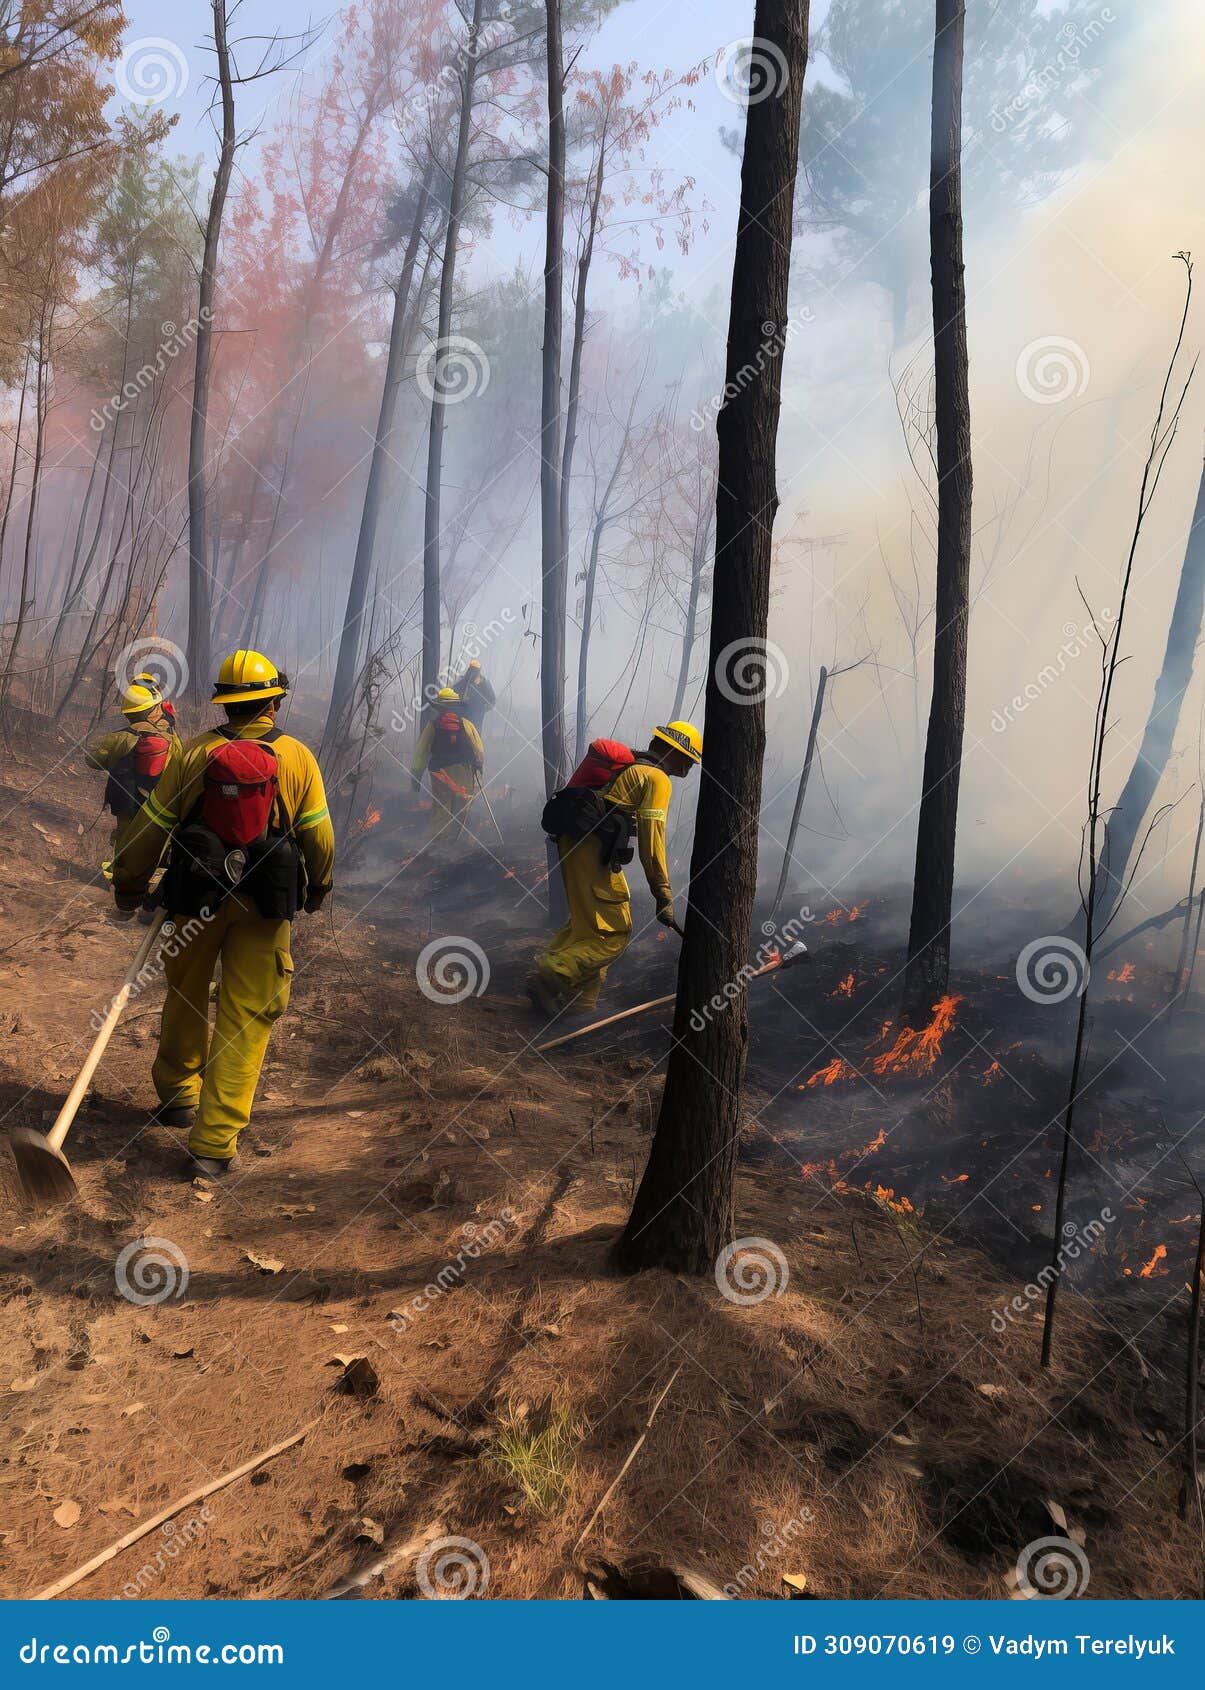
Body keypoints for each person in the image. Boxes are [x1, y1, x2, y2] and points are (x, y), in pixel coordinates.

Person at [111, 649, 335, 1178]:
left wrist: (129, 885)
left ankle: (178, 1096)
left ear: (224, 704)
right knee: (247, 1014)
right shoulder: (298, 758)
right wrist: (318, 888)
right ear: (273, 703)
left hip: (194, 900)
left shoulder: (194, 753)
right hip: (264, 908)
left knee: (185, 992)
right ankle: (212, 1144)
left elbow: (150, 826)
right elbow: (319, 837)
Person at [529, 719, 702, 1016]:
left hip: (576, 841)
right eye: (688, 760)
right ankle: (553, 972)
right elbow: (652, 843)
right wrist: (662, 893)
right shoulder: (657, 779)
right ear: (673, 751)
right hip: (591, 848)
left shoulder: (631, 766)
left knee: (588, 926)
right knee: (615, 934)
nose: (688, 768)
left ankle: (578, 1005)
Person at [85, 683, 180, 880]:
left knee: (125, 836)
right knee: (156, 838)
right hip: (160, 800)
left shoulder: (121, 737)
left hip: (127, 799)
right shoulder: (171, 734)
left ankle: (121, 877)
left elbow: (92, 760)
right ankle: (152, 875)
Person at [410, 687, 484, 843]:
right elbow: (479, 749)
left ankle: (437, 841)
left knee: (442, 806)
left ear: (439, 707)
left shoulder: (432, 725)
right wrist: (479, 766)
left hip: (440, 771)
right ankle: (462, 840)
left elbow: (420, 752)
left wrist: (416, 775)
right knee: (464, 805)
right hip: (465, 770)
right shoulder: (466, 724)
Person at [450, 659, 496, 731]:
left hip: (477, 714)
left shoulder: (485, 683)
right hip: (463, 711)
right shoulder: (463, 680)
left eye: (475, 670)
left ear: (479, 671)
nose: (472, 673)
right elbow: (453, 691)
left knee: (475, 732)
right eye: (471, 670)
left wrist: (483, 709)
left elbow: (492, 700)